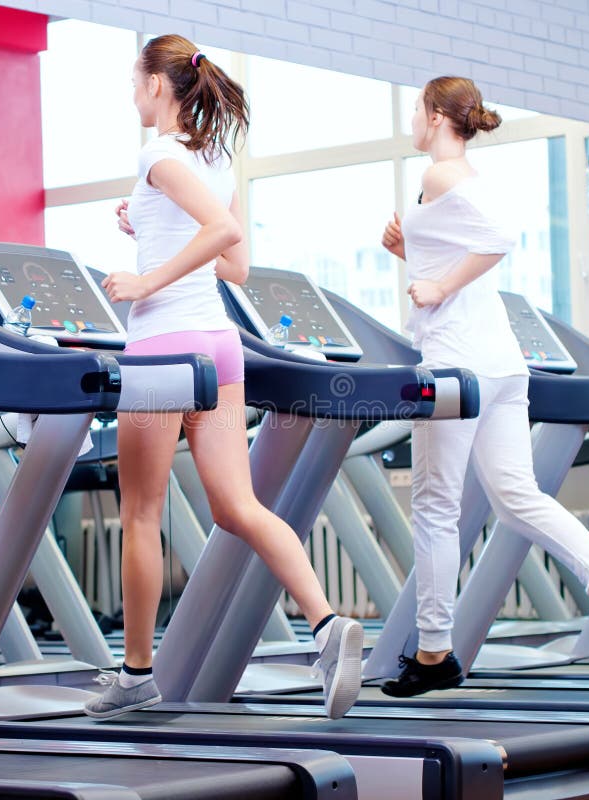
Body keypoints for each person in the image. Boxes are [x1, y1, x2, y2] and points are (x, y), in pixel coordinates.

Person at [83, 34, 363, 720]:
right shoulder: (212, 160)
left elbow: (219, 238)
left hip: (163, 349)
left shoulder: (158, 153)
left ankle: (137, 673)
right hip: (219, 347)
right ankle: (328, 627)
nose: (131, 94)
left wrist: (147, 275)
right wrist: (147, 228)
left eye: (133, 80)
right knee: (237, 508)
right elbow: (231, 265)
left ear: (157, 85)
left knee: (142, 514)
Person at [378, 76, 589, 697]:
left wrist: (438, 286)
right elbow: (464, 258)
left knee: (433, 507)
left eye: (417, 109)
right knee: (515, 497)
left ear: (435, 116)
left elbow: (500, 240)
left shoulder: (438, 175)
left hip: (458, 369)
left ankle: (433, 652)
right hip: (501, 364)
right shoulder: (465, 179)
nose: (412, 119)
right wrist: (412, 256)